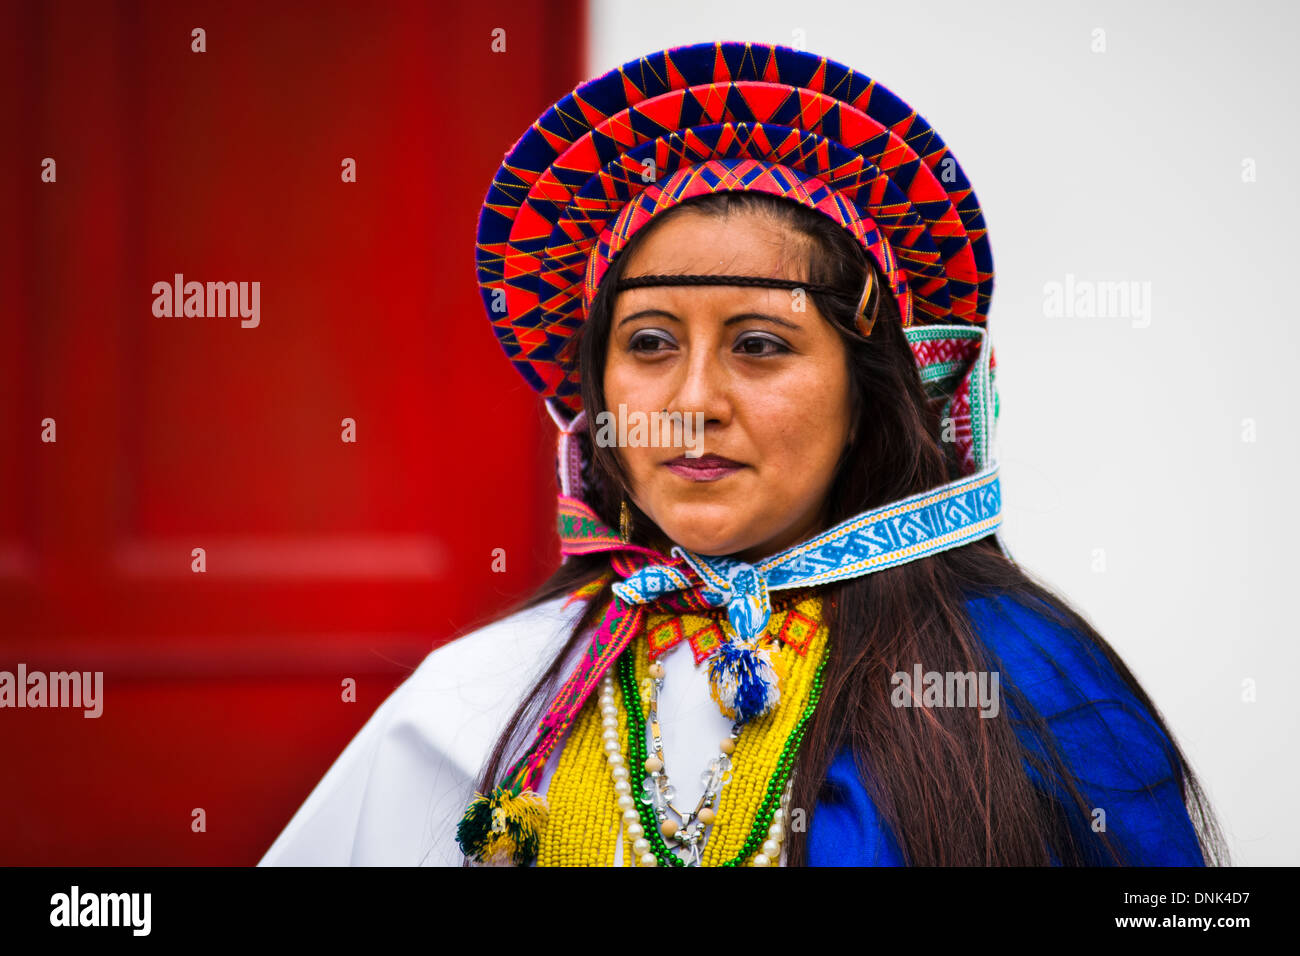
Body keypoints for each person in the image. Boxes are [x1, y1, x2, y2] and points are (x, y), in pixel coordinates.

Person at [259, 40, 1226, 867]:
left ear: (866, 395)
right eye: (647, 344)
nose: (692, 405)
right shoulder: (477, 706)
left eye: (760, 345)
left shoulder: (1024, 685)